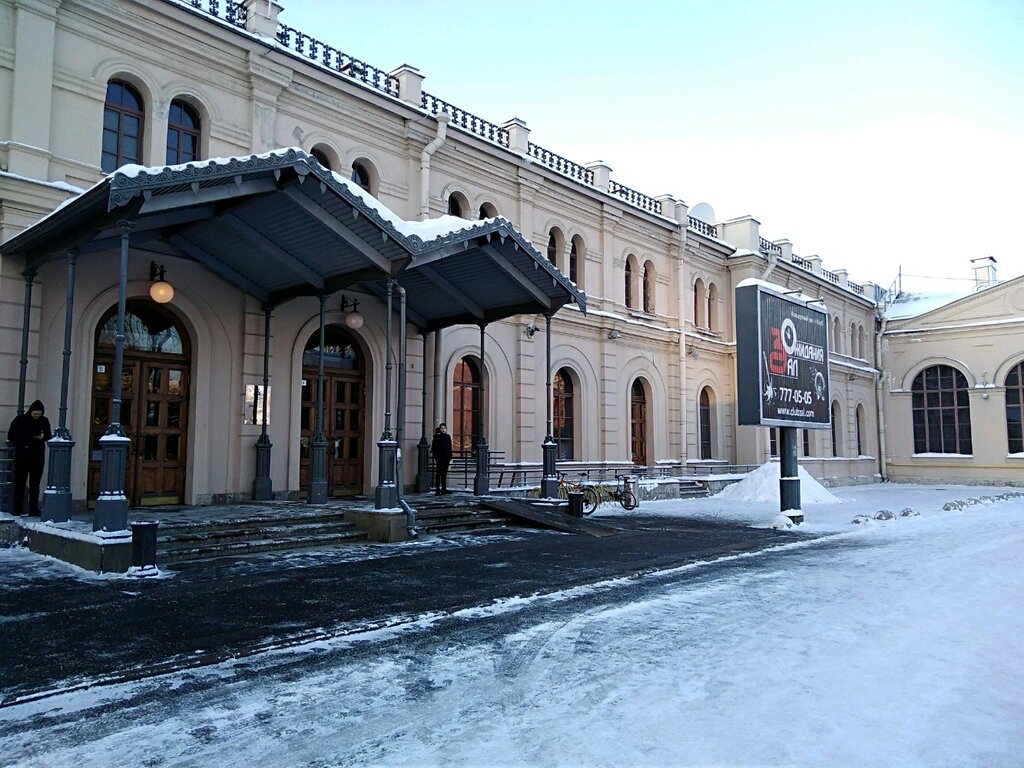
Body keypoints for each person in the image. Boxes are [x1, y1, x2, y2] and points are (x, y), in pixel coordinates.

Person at [7, 400, 52, 517]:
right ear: (30, 411)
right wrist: (22, 444)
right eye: (35, 414)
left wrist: (42, 437)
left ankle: (33, 509)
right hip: (22, 456)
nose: (36, 416)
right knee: (20, 483)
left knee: (35, 485)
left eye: (39, 414)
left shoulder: (44, 421)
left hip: (37, 456)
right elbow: (11, 435)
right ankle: (17, 509)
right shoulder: (20, 420)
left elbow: (48, 435)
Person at [431, 422, 453, 495]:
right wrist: (436, 457)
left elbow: (450, 447)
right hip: (440, 458)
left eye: (444, 428)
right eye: (442, 428)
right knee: (439, 474)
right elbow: (434, 448)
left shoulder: (448, 437)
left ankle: (444, 489)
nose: (443, 429)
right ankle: (437, 489)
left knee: (444, 474)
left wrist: (450, 457)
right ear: (440, 429)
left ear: (446, 429)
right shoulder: (437, 437)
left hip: (446, 458)